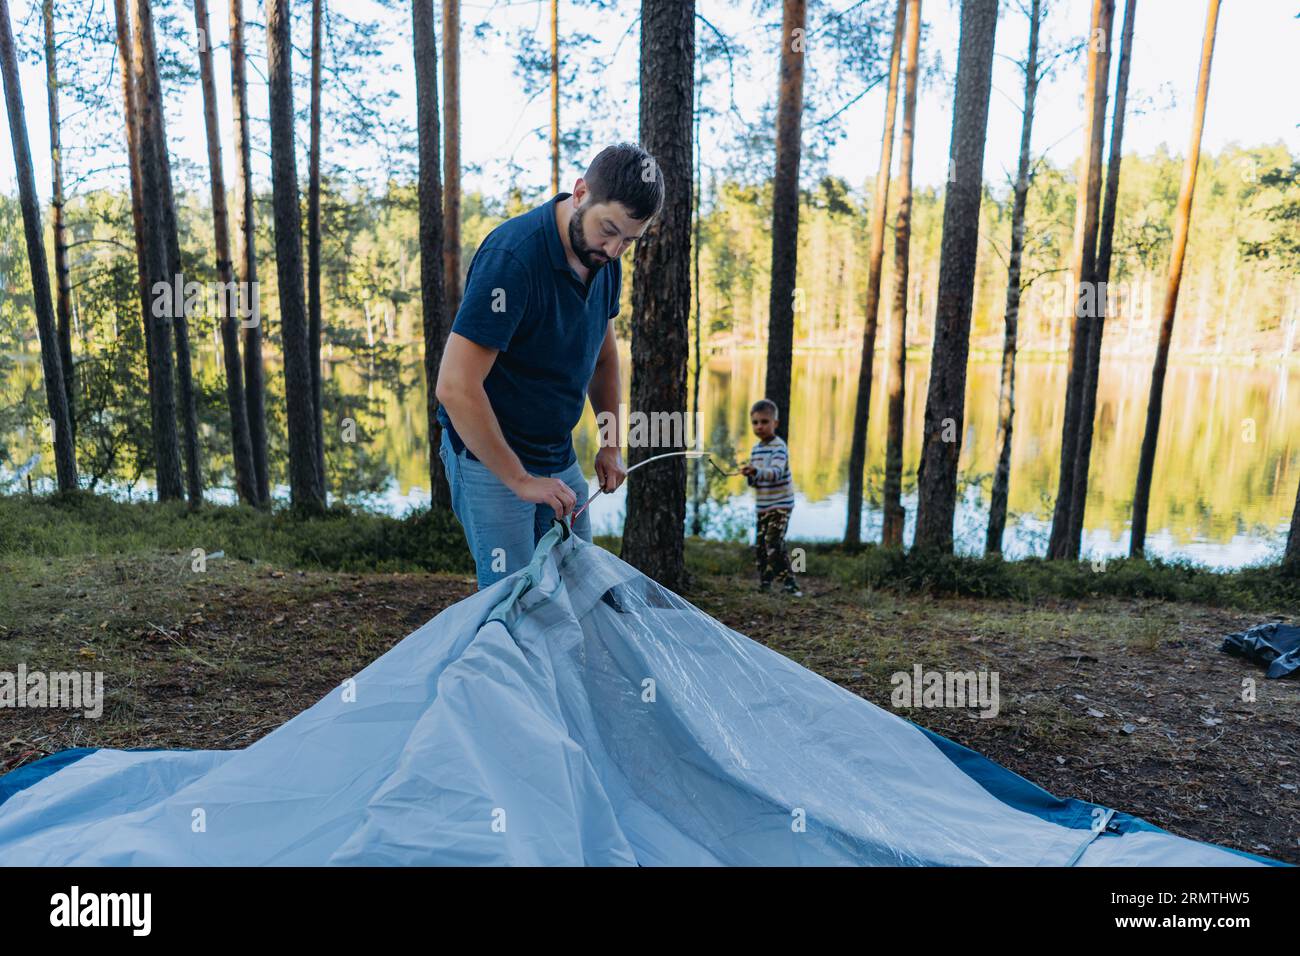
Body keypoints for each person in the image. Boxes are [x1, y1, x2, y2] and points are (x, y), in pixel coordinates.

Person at [434, 144, 663, 589]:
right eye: (609, 230)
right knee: (513, 601)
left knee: (581, 587)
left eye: (629, 241)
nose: (615, 249)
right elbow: (456, 386)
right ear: (580, 194)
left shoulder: (604, 260)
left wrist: (611, 443)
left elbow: (603, 356)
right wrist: (520, 480)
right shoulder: (513, 258)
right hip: (490, 462)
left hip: (556, 456)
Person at [741, 399, 801, 596]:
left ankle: (790, 584)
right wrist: (750, 475)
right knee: (760, 546)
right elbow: (757, 481)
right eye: (755, 422)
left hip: (781, 504)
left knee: (773, 542)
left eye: (764, 422)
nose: (759, 426)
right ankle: (765, 582)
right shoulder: (756, 449)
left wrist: (756, 471)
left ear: (775, 423)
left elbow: (775, 472)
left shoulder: (779, 447)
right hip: (763, 506)